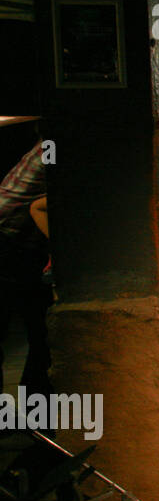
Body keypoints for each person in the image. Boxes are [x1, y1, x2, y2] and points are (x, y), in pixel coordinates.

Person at [0, 137, 52, 395]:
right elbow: (38, 207)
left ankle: (36, 419)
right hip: (8, 241)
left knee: (41, 334)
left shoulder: (54, 142)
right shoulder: (59, 144)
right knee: (41, 334)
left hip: (19, 244)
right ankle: (36, 420)